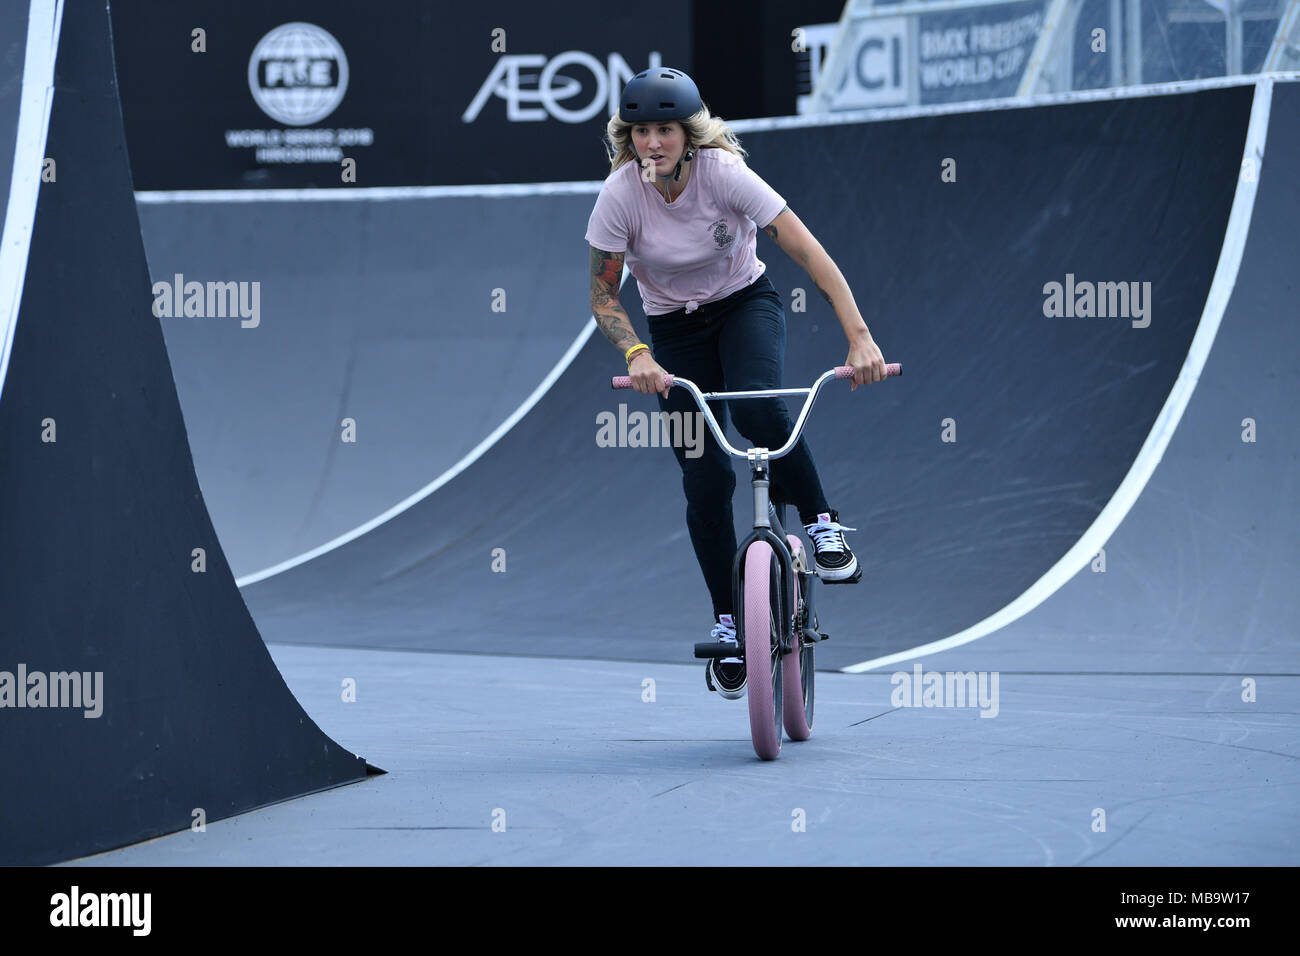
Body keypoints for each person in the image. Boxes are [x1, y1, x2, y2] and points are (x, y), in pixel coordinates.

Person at [586, 68, 887, 699]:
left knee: (758, 412)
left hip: (745, 304)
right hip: (671, 332)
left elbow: (806, 250)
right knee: (705, 477)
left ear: (688, 134)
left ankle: (823, 522)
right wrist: (636, 352)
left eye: (664, 129)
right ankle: (729, 621)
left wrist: (858, 337)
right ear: (630, 137)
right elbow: (604, 294)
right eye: (641, 131)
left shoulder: (723, 174)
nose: (653, 143)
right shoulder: (619, 196)